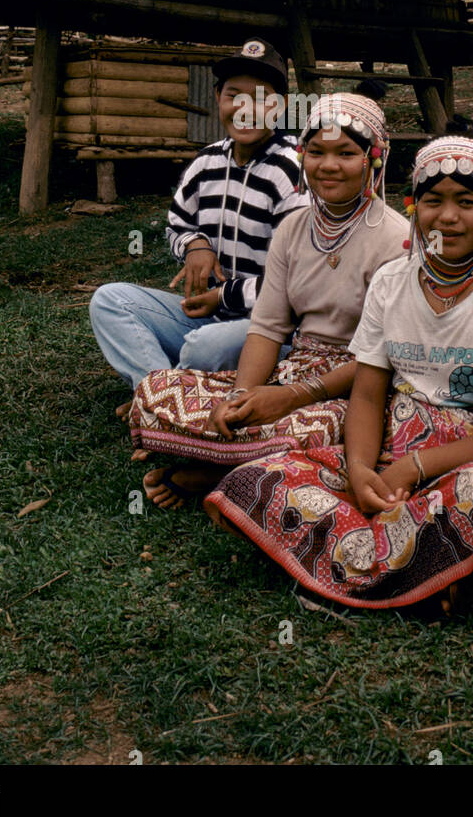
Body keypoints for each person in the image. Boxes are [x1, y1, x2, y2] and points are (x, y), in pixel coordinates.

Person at [205, 135, 473, 612]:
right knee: (255, 480)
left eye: (466, 202)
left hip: (470, 460)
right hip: (387, 450)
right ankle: (422, 569)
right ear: (413, 207)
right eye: (432, 201)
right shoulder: (391, 281)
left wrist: (417, 468)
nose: (447, 217)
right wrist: (361, 471)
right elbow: (366, 396)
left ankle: (361, 559)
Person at [133, 94, 410, 508]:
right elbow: (267, 327)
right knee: (154, 390)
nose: (328, 165)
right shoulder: (294, 228)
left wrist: (293, 396)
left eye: (346, 153)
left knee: (319, 429)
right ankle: (248, 457)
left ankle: (218, 468)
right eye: (316, 152)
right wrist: (242, 396)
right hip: (294, 365)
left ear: (374, 158)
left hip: (359, 386)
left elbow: (382, 358)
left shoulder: (395, 239)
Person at [89, 39, 306, 397]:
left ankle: (160, 397)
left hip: (270, 328)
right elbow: (178, 223)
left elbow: (297, 280)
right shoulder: (206, 163)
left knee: (206, 347)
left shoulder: (291, 168)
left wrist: (223, 297)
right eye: (233, 94)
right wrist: (195, 245)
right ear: (217, 97)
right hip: (212, 315)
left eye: (261, 98)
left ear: (280, 106)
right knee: (110, 300)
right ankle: (163, 394)